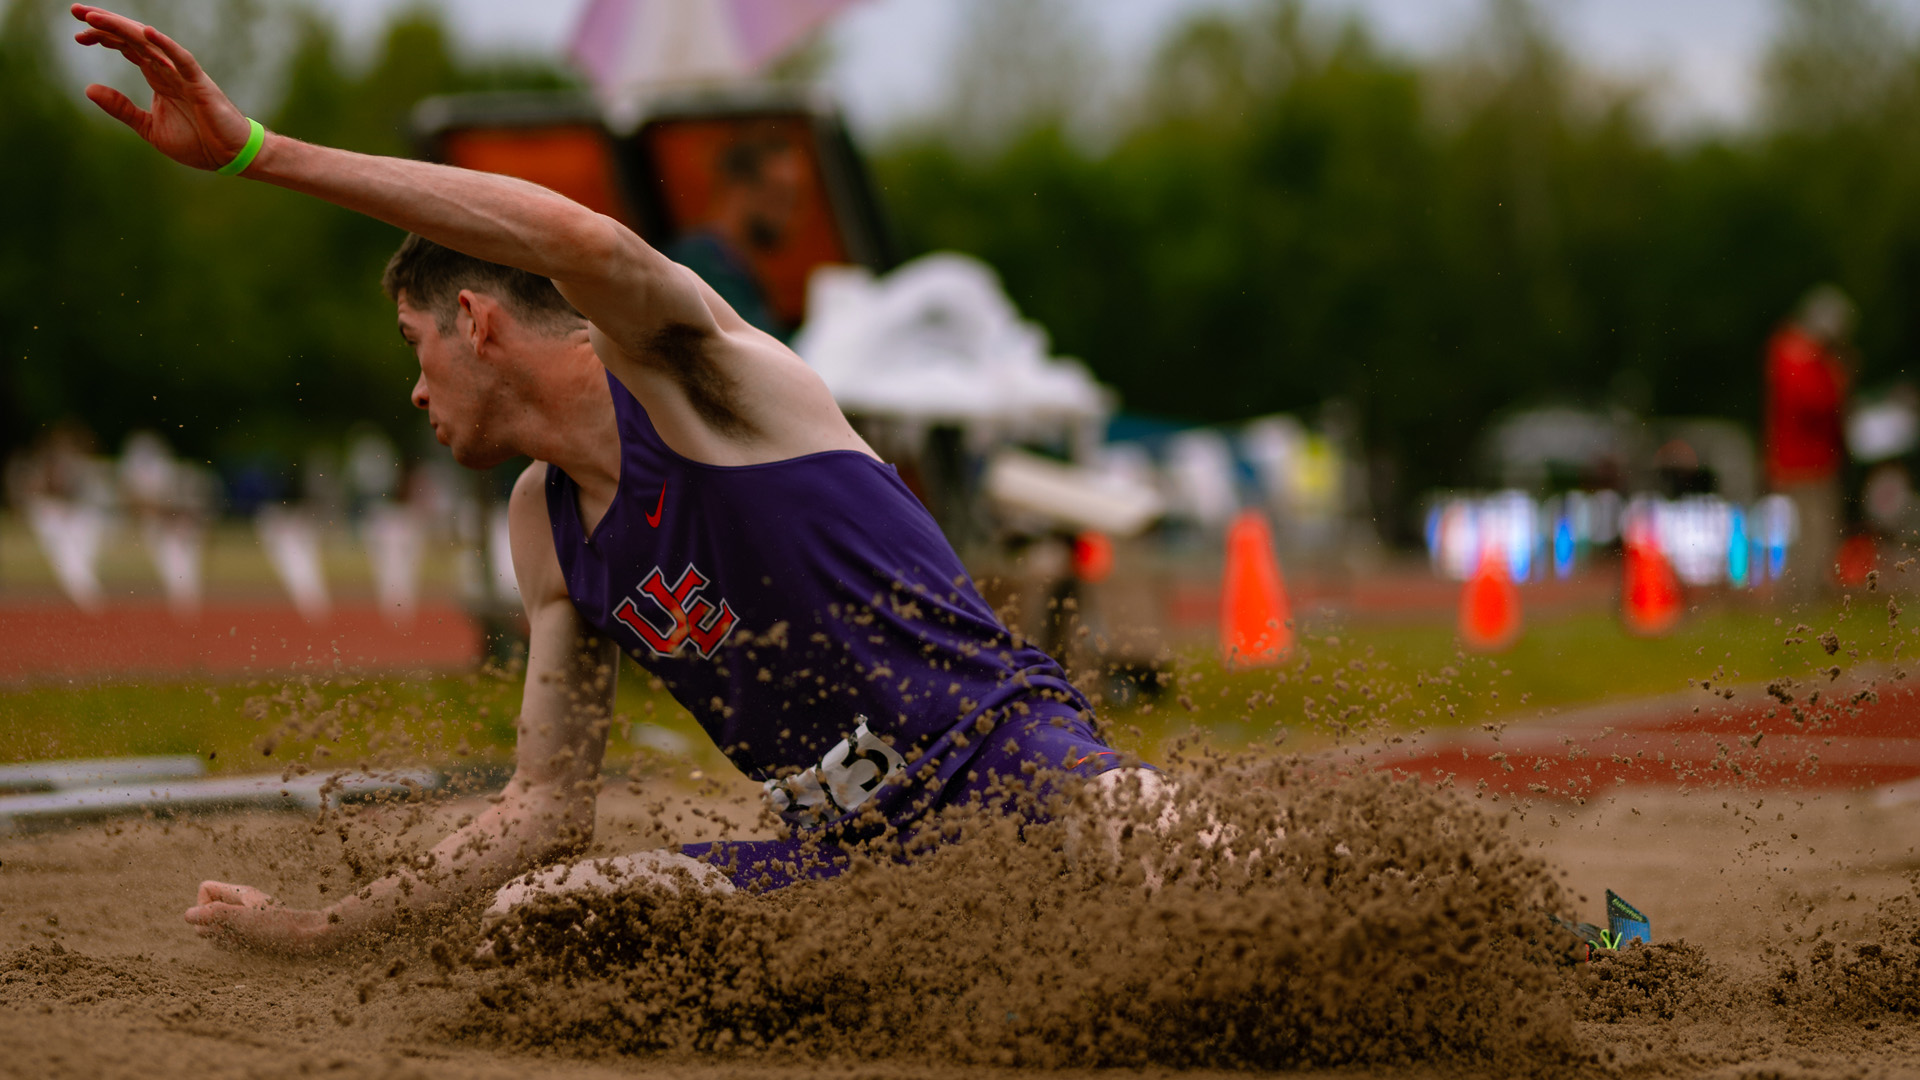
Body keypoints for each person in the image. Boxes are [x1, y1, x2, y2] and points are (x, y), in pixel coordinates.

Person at [70, 6, 1139, 953]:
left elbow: (577, 237)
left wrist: (262, 153)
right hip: (851, 874)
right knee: (544, 912)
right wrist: (313, 931)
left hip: (1016, 775)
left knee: (1180, 851)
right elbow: (542, 810)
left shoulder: (708, 384)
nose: (413, 390)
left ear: (476, 322)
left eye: (413, 344)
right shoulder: (545, 523)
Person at [660, 134, 806, 340]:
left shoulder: (737, 262)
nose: (790, 213)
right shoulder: (701, 262)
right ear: (740, 188)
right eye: (780, 194)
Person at [1764, 285, 1854, 600]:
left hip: (1803, 460)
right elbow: (1815, 403)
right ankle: (1802, 595)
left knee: (1810, 532)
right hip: (1805, 462)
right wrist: (1838, 379)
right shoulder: (1800, 357)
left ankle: (1802, 593)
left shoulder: (1791, 353)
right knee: (1814, 533)